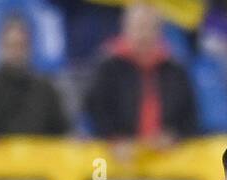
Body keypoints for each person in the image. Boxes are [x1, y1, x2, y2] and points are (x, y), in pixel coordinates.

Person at [84, 2, 197, 146]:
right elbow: (95, 114)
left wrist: (173, 136)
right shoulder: (107, 68)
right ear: (125, 28)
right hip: (117, 160)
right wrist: (113, 139)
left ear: (160, 31)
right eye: (138, 27)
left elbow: (189, 119)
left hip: (167, 160)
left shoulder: (176, 71)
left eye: (149, 28)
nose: (143, 34)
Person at [0, 16, 69, 138]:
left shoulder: (46, 89)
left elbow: (62, 131)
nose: (16, 52)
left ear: (29, 48)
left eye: (21, 46)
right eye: (11, 45)